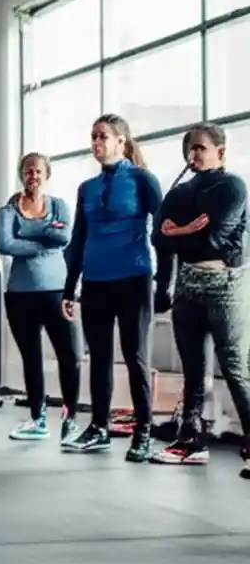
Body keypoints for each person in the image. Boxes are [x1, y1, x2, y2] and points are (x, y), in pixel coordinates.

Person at [61, 114, 163, 462]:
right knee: (99, 359)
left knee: (136, 357)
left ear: (122, 141)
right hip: (95, 282)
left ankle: (143, 432)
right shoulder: (86, 188)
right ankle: (99, 427)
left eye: (102, 136)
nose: (96, 143)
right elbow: (78, 239)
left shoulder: (143, 180)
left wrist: (166, 282)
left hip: (134, 279)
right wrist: (69, 288)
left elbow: (162, 232)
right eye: (93, 137)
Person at [151, 123, 250, 476]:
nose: (193, 154)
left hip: (226, 285)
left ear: (220, 152)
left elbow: (212, 240)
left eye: (200, 148)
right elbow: (158, 238)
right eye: (190, 148)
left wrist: (176, 231)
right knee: (193, 370)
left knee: (235, 368)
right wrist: (183, 232)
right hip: (188, 286)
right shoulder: (180, 191)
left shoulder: (232, 187)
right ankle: (191, 440)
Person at [0, 153, 81, 443]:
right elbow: (5, 244)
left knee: (70, 356)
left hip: (57, 292)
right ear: (22, 175)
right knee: (31, 359)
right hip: (19, 295)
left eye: (38, 171)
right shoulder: (8, 210)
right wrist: (46, 237)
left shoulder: (59, 206)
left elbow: (65, 238)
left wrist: (27, 234)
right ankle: (37, 418)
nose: (33, 176)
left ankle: (70, 419)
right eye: (28, 171)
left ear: (47, 175)